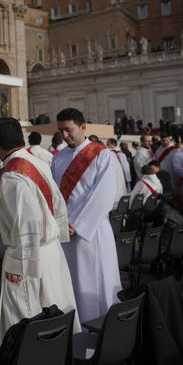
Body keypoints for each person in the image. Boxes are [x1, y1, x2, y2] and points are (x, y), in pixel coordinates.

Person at [0, 117, 79, 350]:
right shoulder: (36, 161)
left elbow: (27, 222)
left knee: (26, 316)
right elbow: (57, 202)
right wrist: (57, 230)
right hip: (49, 251)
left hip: (29, 258)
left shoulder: (13, 174)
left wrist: (19, 264)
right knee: (55, 307)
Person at [51, 108, 121, 323]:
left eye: (69, 130)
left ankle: (102, 330)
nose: (64, 135)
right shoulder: (58, 158)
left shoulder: (102, 154)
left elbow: (105, 195)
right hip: (64, 231)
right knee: (71, 283)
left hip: (92, 231)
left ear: (83, 127)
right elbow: (54, 194)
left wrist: (78, 224)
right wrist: (61, 222)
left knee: (96, 282)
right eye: (61, 130)